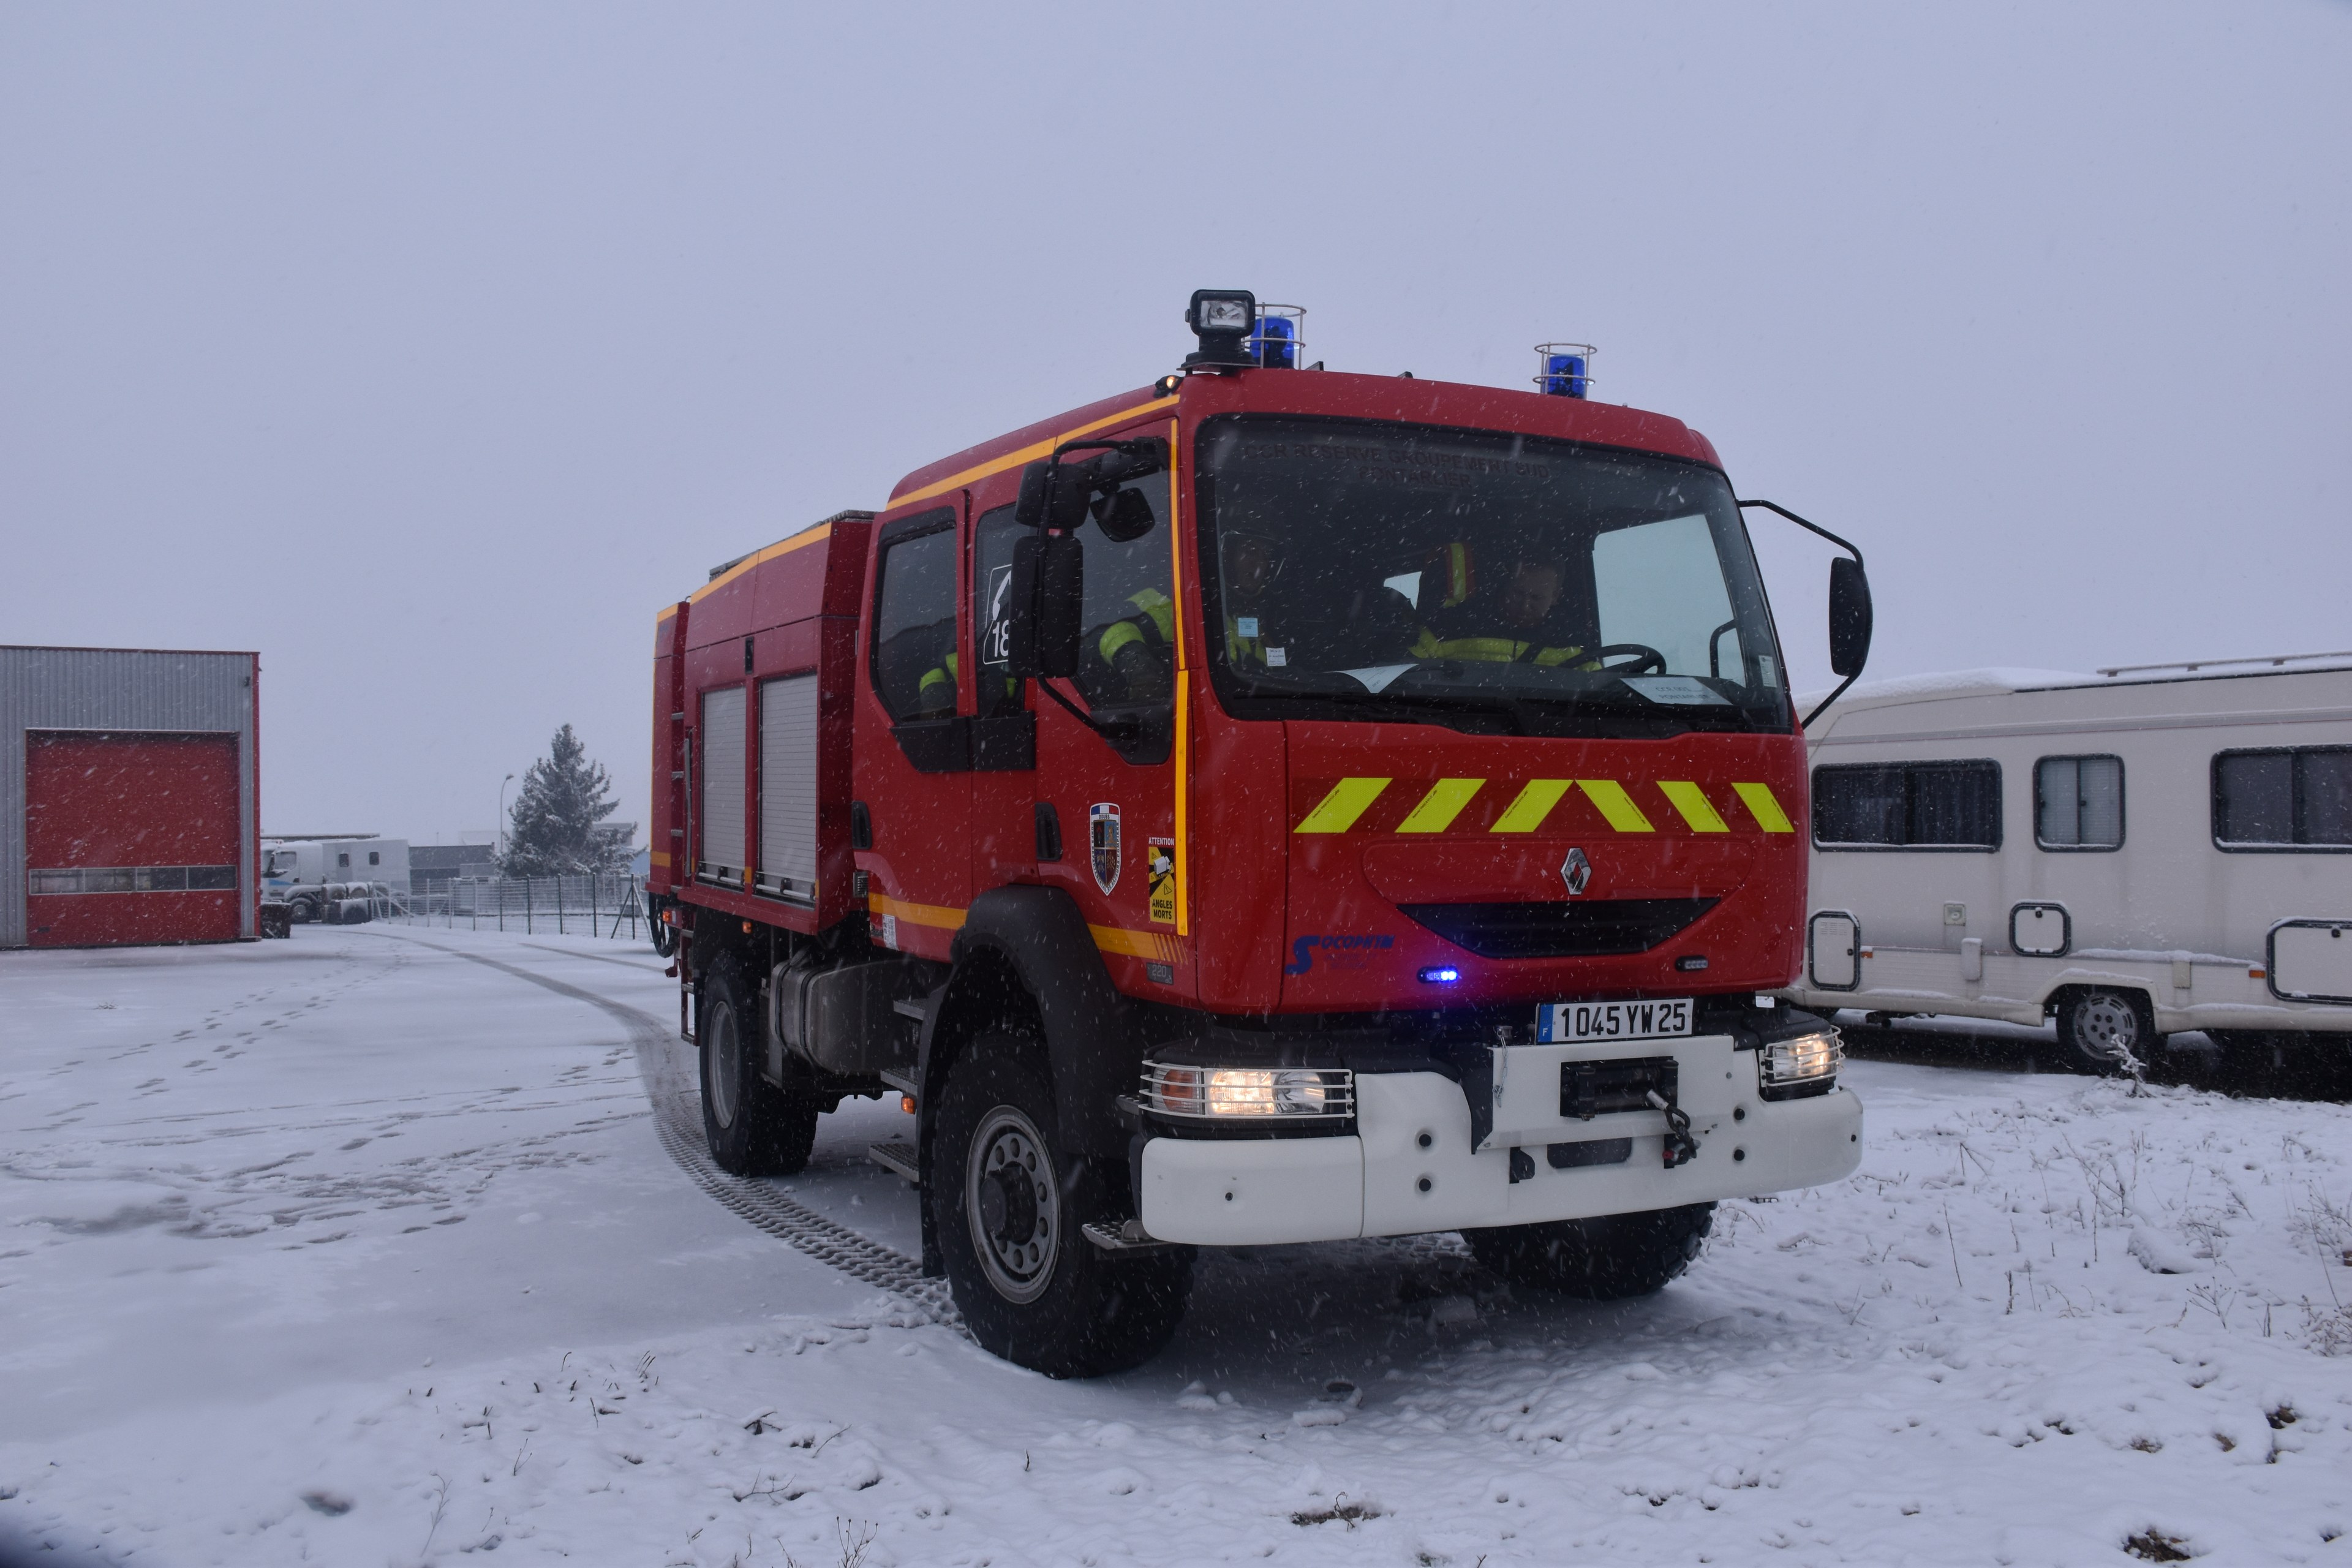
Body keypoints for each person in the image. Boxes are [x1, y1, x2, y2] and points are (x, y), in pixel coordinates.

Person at [1411, 556, 1593, 668]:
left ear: (1555, 597)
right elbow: (1409, 676)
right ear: (1507, 585)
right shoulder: (1454, 625)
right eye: (1519, 593)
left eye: (1537, 598)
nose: (1525, 606)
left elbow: (1591, 695)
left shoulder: (1575, 643)